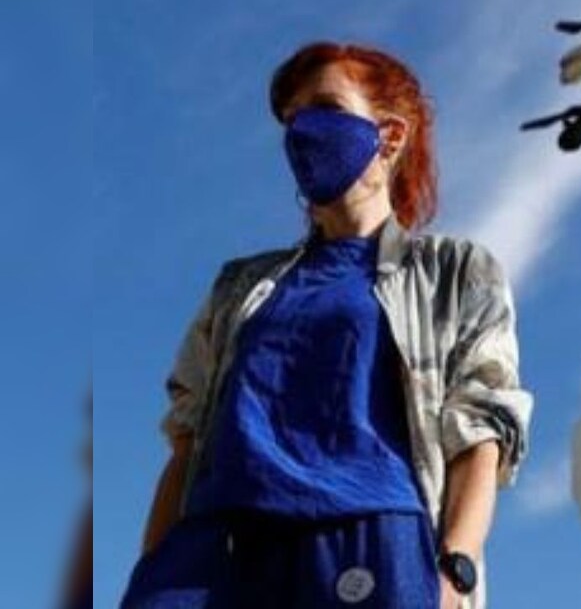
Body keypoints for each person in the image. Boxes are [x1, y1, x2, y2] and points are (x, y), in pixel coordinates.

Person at [120, 42, 533, 609]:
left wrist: (455, 568)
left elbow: (482, 433)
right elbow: (187, 445)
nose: (302, 131)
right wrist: (151, 571)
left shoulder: (456, 271)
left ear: (390, 135)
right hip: (218, 549)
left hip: (366, 537)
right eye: (291, 119)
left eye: (326, 107)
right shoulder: (238, 286)